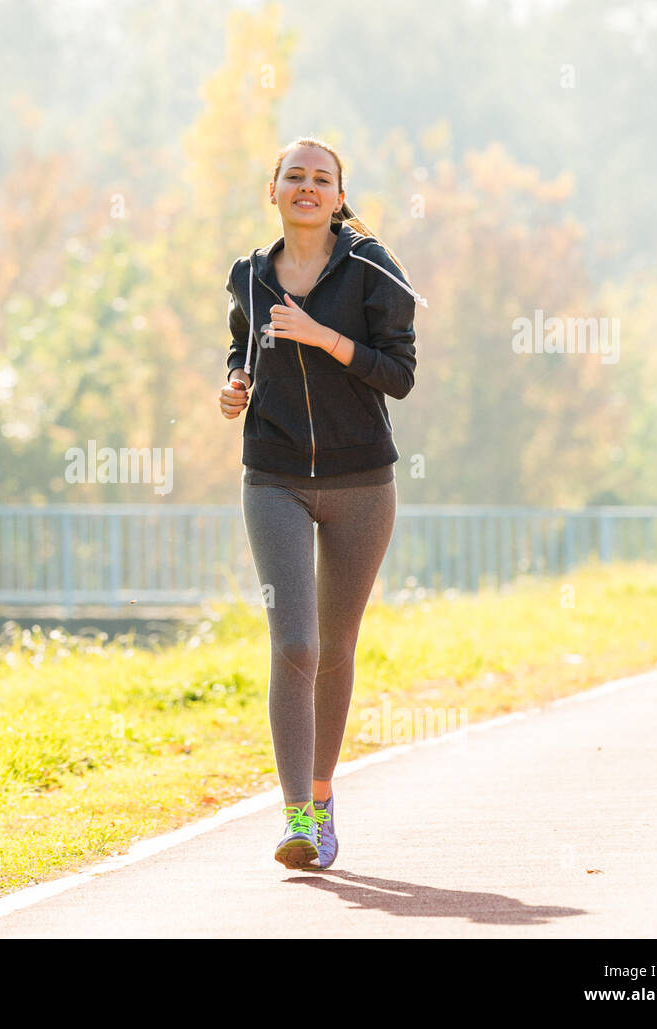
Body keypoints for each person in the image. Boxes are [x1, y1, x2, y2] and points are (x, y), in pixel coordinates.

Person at [218, 137, 426, 869]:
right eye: (294, 176)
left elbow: (398, 374)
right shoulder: (249, 276)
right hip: (272, 474)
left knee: (335, 648)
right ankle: (297, 818)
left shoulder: (373, 269)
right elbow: (242, 350)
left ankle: (324, 792)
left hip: (361, 482)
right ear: (272, 189)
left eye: (321, 179)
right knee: (295, 645)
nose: (307, 187)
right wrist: (234, 386)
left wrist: (323, 336)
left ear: (339, 196)